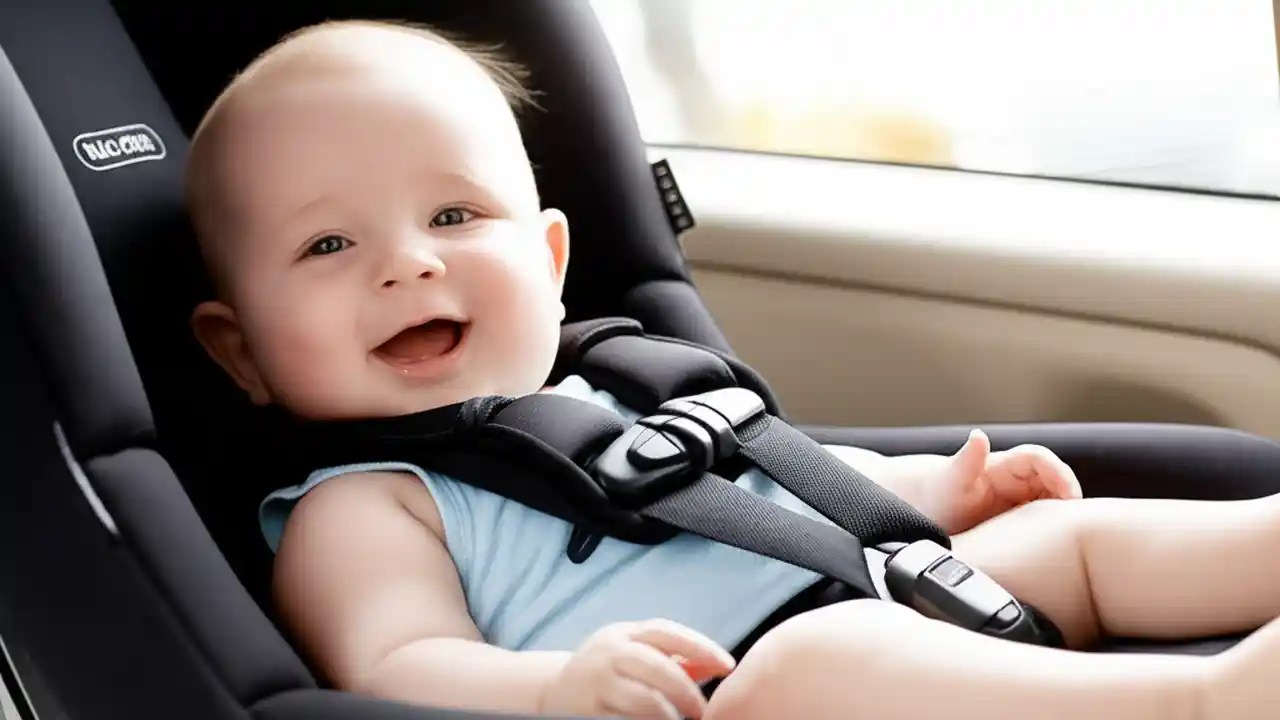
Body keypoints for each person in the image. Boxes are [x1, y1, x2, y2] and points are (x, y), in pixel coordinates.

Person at [184, 19, 1280, 720]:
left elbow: (779, 479)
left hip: (882, 597)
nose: (407, 262)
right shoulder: (363, 507)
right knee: (824, 663)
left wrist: (933, 493)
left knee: (1062, 541)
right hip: (733, 695)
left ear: (552, 259)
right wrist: (558, 689)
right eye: (329, 247)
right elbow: (394, 661)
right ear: (239, 352)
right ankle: (1209, 704)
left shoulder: (614, 385)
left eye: (454, 214)